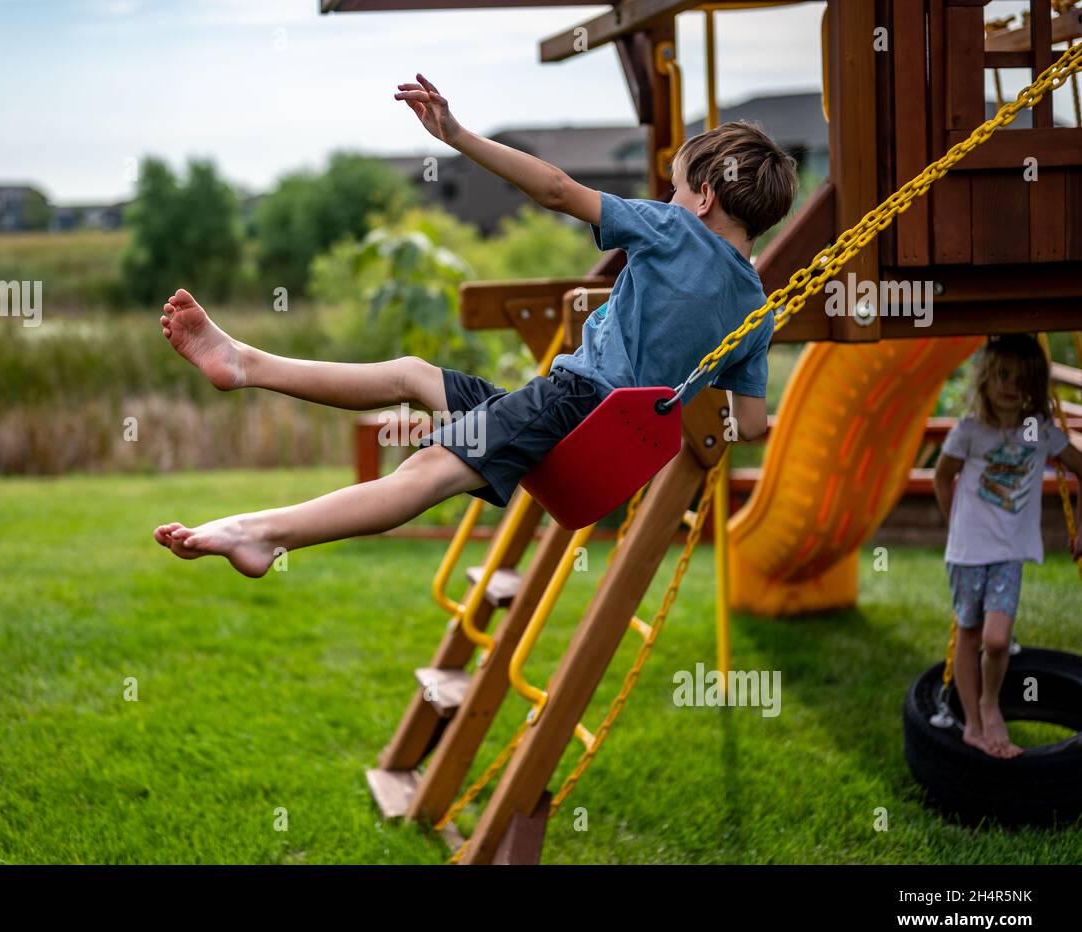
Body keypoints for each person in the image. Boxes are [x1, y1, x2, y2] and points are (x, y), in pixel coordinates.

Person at [153, 74, 797, 577]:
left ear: (705, 196)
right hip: (588, 441)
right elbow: (751, 423)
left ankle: (262, 533)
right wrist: (662, 408)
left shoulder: (674, 230)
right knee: (412, 376)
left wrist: (457, 136)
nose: (670, 201)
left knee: (425, 472)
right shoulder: (756, 310)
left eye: (677, 189)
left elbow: (555, 189)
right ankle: (245, 365)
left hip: (570, 407)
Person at [934, 334, 1082, 757]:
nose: (1010, 386)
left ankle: (988, 702)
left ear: (1035, 386)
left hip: (1009, 554)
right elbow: (944, 478)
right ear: (986, 378)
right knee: (969, 631)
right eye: (1002, 375)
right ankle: (975, 724)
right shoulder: (970, 431)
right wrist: (955, 526)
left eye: (1022, 379)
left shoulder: (1039, 431)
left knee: (997, 639)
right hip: (967, 551)